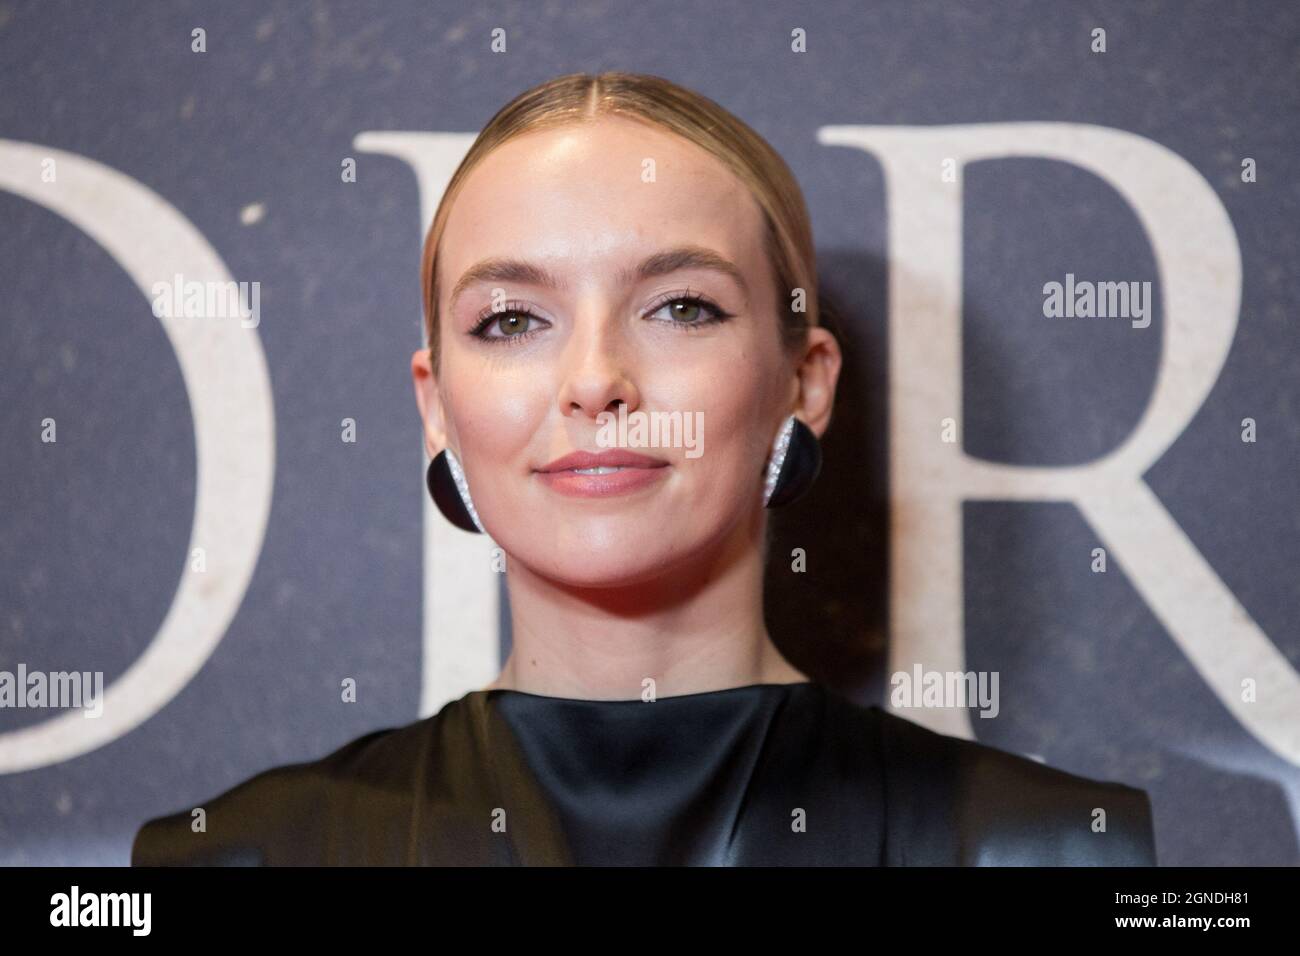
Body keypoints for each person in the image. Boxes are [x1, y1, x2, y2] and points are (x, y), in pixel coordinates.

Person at [132, 71, 1156, 866]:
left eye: (680, 306)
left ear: (803, 382)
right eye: (510, 319)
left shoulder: (1051, 846)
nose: (594, 382)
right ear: (438, 405)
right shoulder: (239, 853)